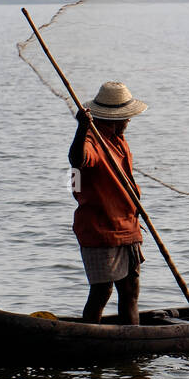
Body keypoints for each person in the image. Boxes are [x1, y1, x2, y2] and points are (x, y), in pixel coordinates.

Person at [68, 81, 148, 324]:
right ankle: (88, 337)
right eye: (126, 117)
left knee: (130, 290)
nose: (129, 120)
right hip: (101, 229)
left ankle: (132, 340)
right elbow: (77, 160)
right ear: (115, 118)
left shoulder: (118, 139)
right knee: (102, 291)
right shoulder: (93, 139)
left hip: (127, 227)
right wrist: (82, 128)